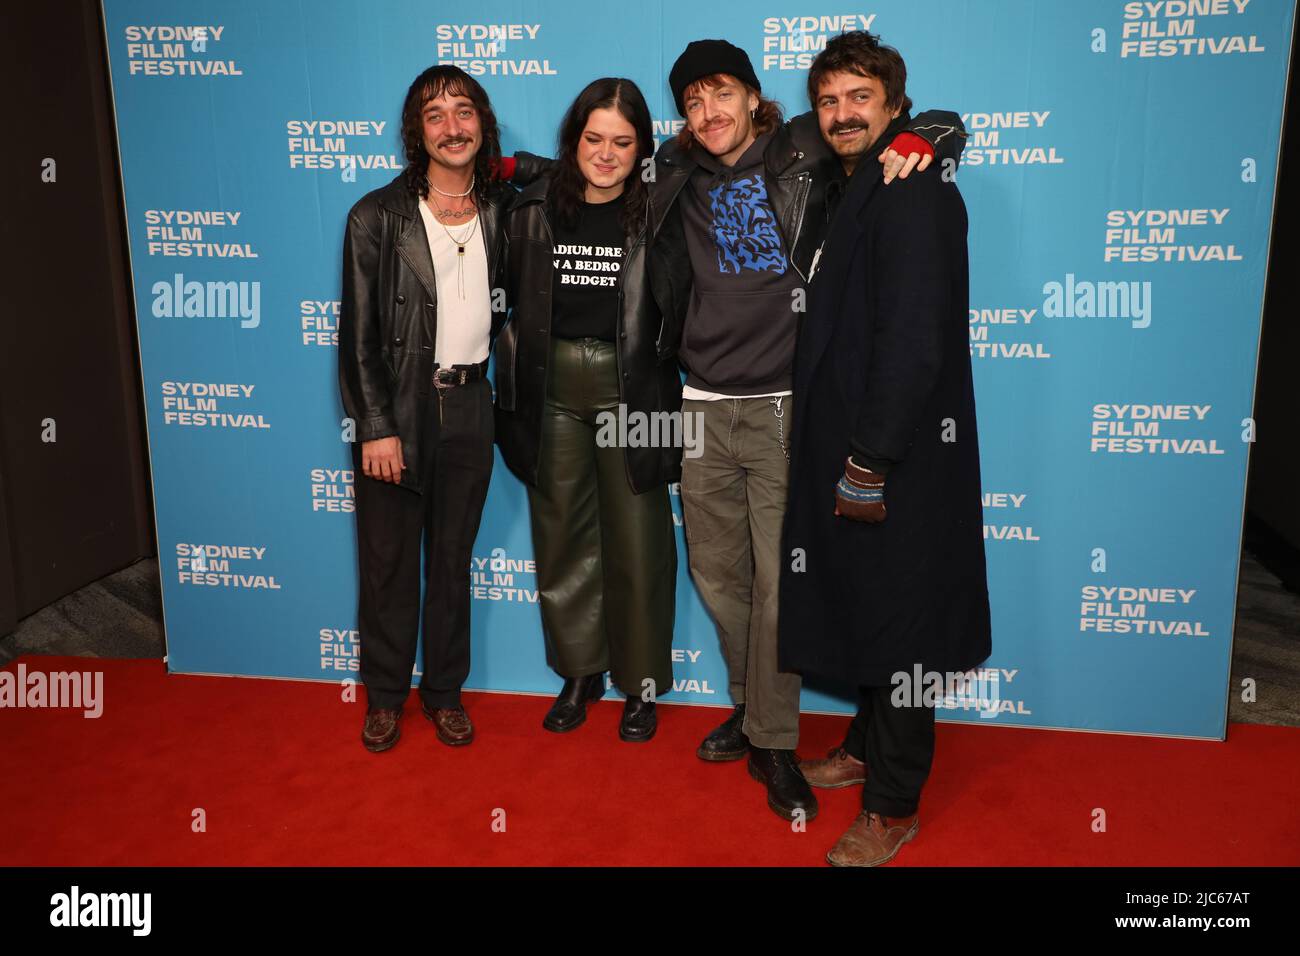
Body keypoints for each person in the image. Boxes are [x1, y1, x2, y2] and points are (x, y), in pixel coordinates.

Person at [648, 38, 966, 822]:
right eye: (692, 100)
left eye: (722, 93)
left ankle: (773, 739)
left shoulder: (806, 152)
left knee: (779, 585)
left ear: (756, 98)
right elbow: (589, 167)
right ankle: (753, 707)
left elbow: (912, 123)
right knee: (718, 579)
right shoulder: (672, 172)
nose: (708, 111)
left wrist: (937, 131)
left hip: (790, 405)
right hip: (699, 405)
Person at [778, 31, 991, 865]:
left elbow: (912, 341)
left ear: (895, 106)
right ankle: (866, 747)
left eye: (859, 98)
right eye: (828, 100)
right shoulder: (861, 183)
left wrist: (869, 459)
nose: (840, 114)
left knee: (900, 622)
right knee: (867, 600)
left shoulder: (915, 190)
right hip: (852, 441)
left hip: (893, 453)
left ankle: (894, 803)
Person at [494, 78, 682, 742]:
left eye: (622, 142)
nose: (605, 154)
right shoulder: (534, 206)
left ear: (642, 148)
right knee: (562, 536)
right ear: (574, 140)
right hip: (548, 385)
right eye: (593, 139)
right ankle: (581, 673)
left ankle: (643, 685)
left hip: (634, 386)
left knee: (640, 541)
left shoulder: (663, 208)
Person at [338, 65, 512, 752]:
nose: (451, 127)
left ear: (481, 124)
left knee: (451, 561)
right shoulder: (375, 216)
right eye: (434, 115)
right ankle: (385, 696)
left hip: (471, 406)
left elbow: (583, 168)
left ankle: (443, 692)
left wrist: (517, 164)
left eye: (463, 111)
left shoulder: (505, 208)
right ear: (416, 131)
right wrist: (376, 428)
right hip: (399, 413)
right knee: (386, 563)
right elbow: (357, 337)